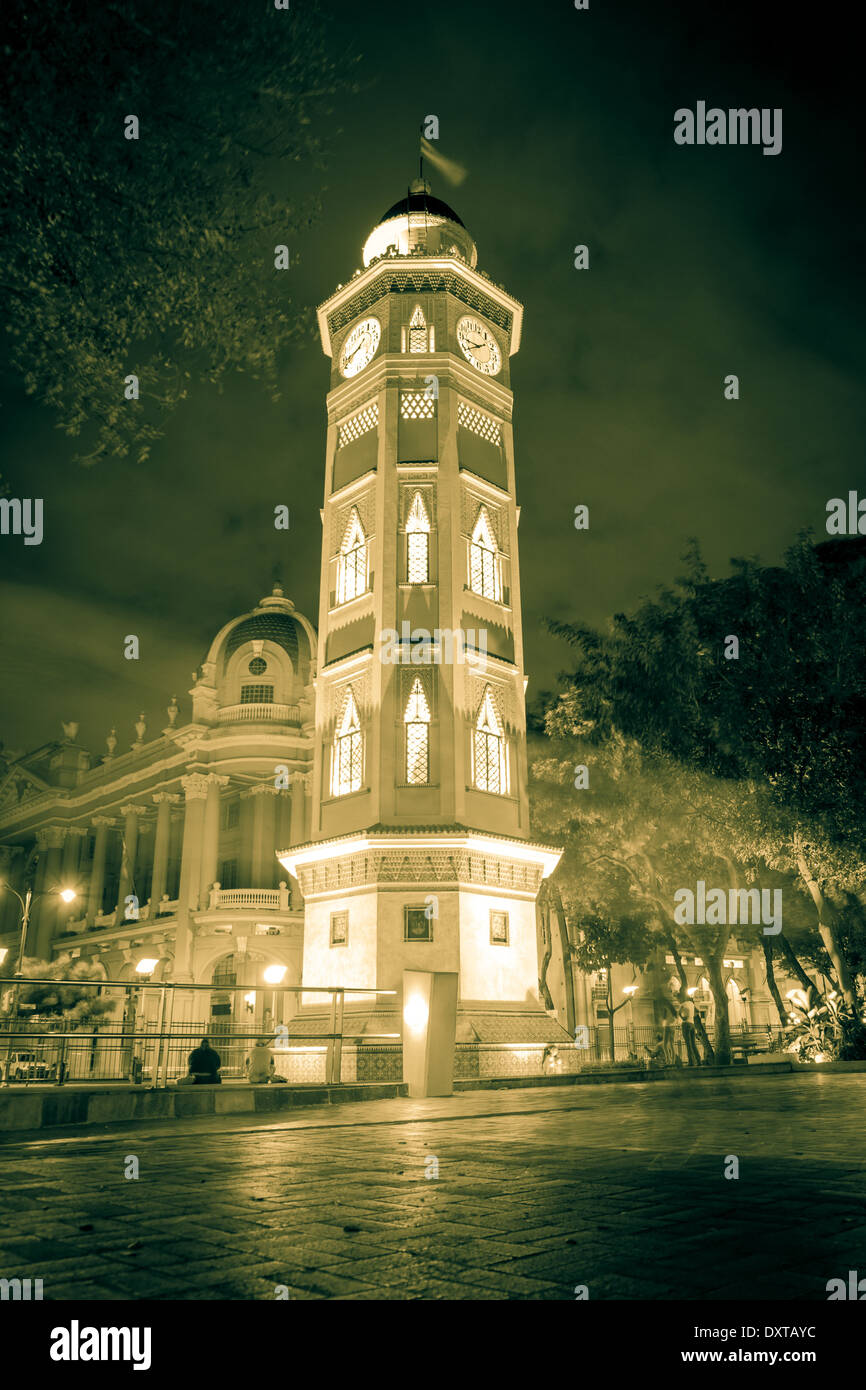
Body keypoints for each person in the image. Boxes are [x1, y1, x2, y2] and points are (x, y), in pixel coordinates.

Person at [679, 997, 701, 1066]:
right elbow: (697, 1011)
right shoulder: (692, 1004)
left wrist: (683, 1018)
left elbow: (679, 1012)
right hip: (692, 1024)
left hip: (685, 1024)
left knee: (688, 1045)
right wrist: (691, 1016)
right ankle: (698, 1061)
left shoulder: (683, 1004)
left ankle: (691, 1062)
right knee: (693, 1044)